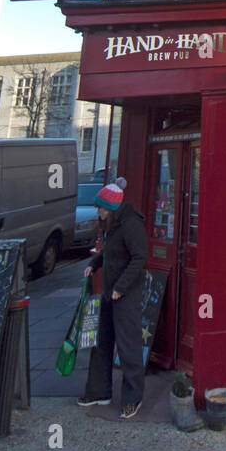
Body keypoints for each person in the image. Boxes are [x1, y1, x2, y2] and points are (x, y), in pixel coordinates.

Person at [78, 177, 148, 419]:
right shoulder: (112, 225)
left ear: (111, 207)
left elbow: (139, 258)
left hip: (125, 294)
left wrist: (121, 287)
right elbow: (109, 252)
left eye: (100, 207)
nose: (97, 211)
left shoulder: (131, 225)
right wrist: (94, 264)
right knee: (101, 341)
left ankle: (133, 398)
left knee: (129, 346)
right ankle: (98, 391)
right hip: (109, 291)